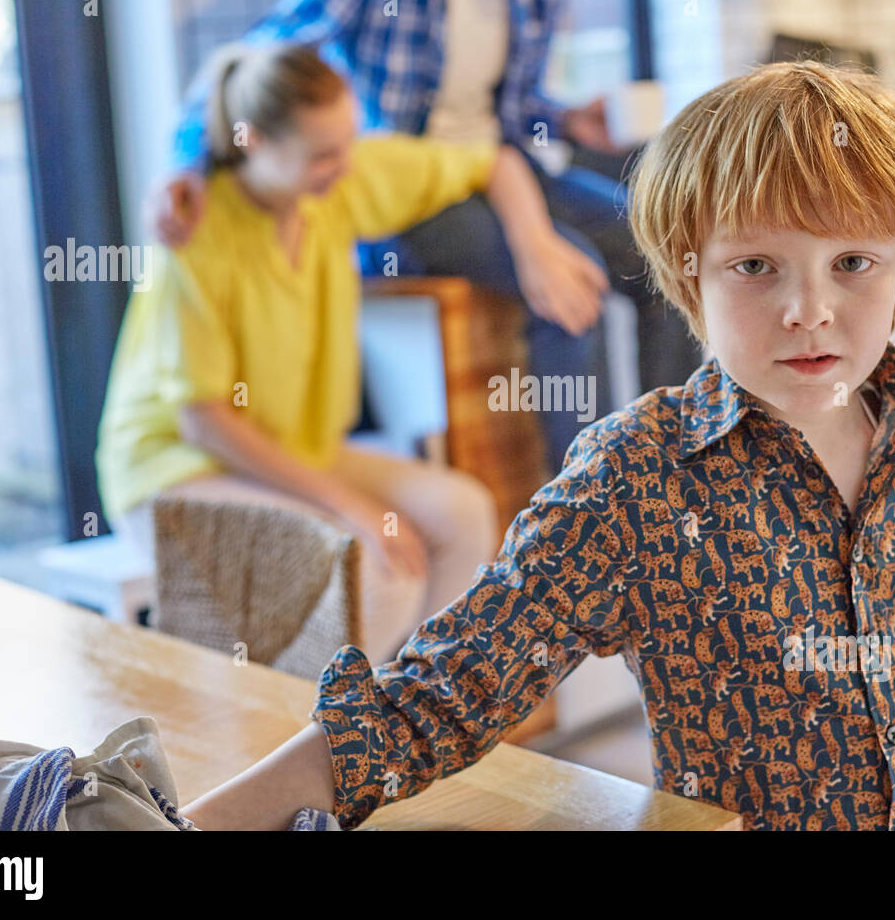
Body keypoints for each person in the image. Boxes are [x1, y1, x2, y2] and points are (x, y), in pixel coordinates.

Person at [178, 60, 895, 831]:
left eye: (852, 262)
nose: (808, 310)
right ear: (688, 268)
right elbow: (443, 693)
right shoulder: (639, 477)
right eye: (756, 266)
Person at [97, 43, 597, 663]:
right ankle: (314, 746)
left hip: (294, 446)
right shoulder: (195, 231)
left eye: (348, 143)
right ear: (253, 142)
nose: (343, 165)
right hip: (177, 468)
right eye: (321, 155)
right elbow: (204, 419)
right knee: (379, 564)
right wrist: (353, 506)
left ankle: (417, 725)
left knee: (464, 511)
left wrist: (534, 245)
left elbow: (495, 163)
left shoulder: (339, 183)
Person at [147, 0, 701, 473]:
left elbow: (507, 112)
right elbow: (257, 59)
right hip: (410, 195)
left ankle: (681, 465)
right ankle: (590, 506)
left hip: (500, 167)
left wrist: (566, 119)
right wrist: (186, 163)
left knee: (664, 245)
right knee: (570, 281)